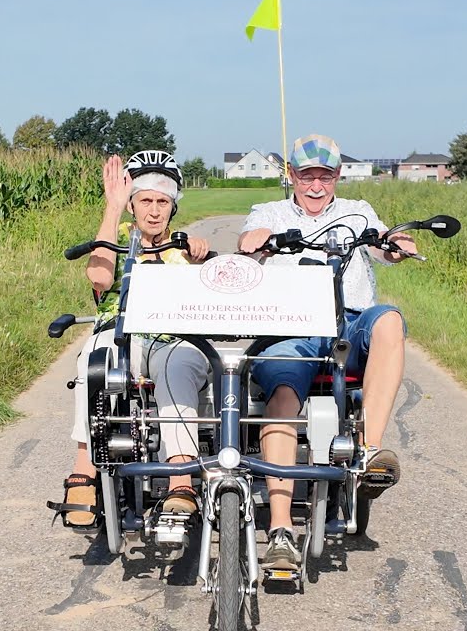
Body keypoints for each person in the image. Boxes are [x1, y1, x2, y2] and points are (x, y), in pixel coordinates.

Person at [236, 134, 418, 571]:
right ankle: (281, 530)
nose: (316, 185)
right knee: (281, 396)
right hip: (290, 325)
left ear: (337, 176)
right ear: (292, 176)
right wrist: (259, 238)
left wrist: (396, 244)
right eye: (306, 176)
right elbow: (249, 243)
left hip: (347, 322)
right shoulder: (271, 212)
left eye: (325, 176)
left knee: (390, 319)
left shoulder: (357, 211)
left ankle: (368, 453)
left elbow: (382, 244)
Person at [50, 150, 212, 528]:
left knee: (179, 362)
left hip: (172, 338)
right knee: (94, 355)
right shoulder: (116, 239)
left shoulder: (184, 246)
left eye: (162, 202)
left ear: (172, 207)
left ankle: (181, 481)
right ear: (132, 205)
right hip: (120, 334)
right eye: (144, 201)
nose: (153, 211)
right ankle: (83, 470)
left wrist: (200, 256)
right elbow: (99, 279)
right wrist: (112, 208)